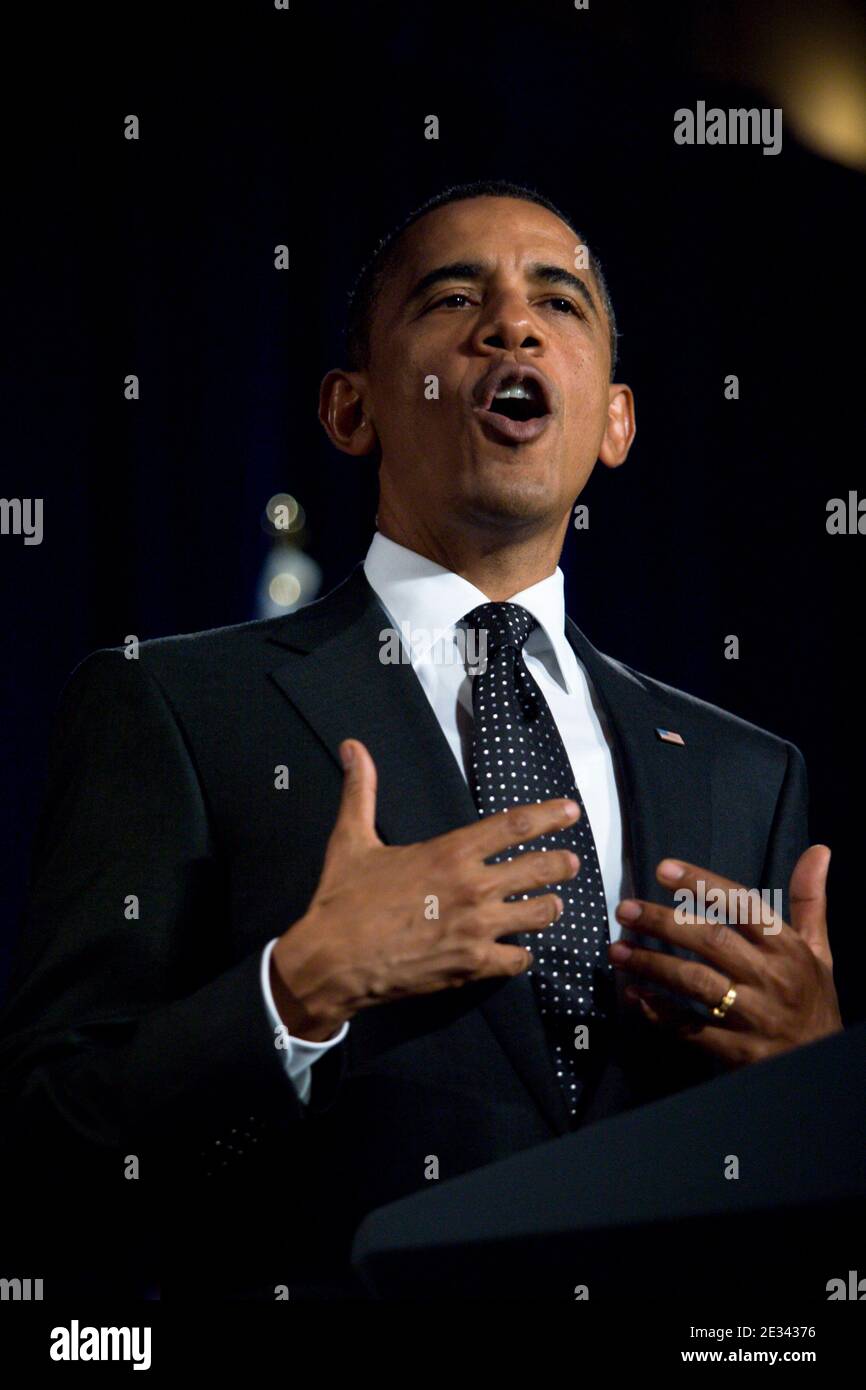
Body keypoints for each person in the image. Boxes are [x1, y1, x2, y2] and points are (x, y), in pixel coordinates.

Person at [0, 180, 842, 1300]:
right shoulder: (174, 706)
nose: (511, 322)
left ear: (616, 421)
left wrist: (819, 1083)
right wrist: (294, 990)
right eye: (453, 297)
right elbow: (47, 1147)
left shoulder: (748, 771)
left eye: (560, 301)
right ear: (350, 411)